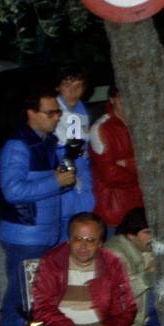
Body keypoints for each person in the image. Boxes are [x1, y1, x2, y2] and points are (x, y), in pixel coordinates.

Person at [0, 90, 73, 326]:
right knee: (20, 299)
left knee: (45, 297)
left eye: (58, 112)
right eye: (50, 112)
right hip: (24, 235)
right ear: (31, 113)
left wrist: (63, 181)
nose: (57, 117)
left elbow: (48, 187)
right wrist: (56, 181)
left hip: (48, 232)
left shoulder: (47, 142)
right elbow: (12, 190)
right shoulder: (17, 146)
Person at [104, 206, 162, 326]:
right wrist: (148, 276)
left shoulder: (143, 246)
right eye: (147, 232)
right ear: (131, 235)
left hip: (145, 315)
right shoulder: (115, 254)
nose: (153, 237)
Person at [88, 85, 143, 231]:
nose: (127, 103)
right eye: (121, 98)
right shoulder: (101, 129)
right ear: (112, 100)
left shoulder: (142, 125)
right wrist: (142, 171)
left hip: (140, 208)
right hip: (114, 209)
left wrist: (128, 163)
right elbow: (110, 175)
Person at [54, 68, 95, 238]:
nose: (73, 92)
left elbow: (81, 149)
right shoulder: (51, 111)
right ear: (58, 87)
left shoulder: (81, 110)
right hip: (62, 183)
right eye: (67, 86)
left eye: (78, 87)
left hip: (80, 183)